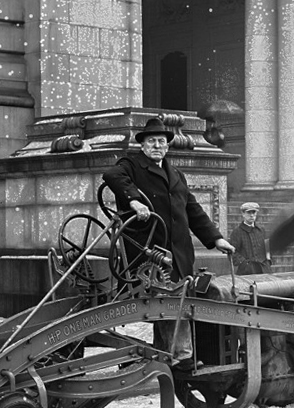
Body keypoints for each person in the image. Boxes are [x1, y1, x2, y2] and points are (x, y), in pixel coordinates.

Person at [103, 117, 235, 370]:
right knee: (170, 301)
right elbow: (111, 175)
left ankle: (161, 356)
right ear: (142, 145)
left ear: (167, 146)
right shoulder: (131, 165)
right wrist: (133, 201)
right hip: (148, 253)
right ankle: (182, 357)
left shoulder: (176, 175)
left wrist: (216, 239)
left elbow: (193, 211)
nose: (156, 145)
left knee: (174, 300)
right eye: (151, 141)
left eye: (161, 141)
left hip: (178, 252)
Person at [229, 202, 270, 275]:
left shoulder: (261, 230)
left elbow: (267, 246)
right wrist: (244, 263)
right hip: (247, 271)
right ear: (243, 214)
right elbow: (233, 251)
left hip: (263, 269)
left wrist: (268, 261)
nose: (251, 215)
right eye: (248, 213)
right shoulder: (237, 232)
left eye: (253, 212)